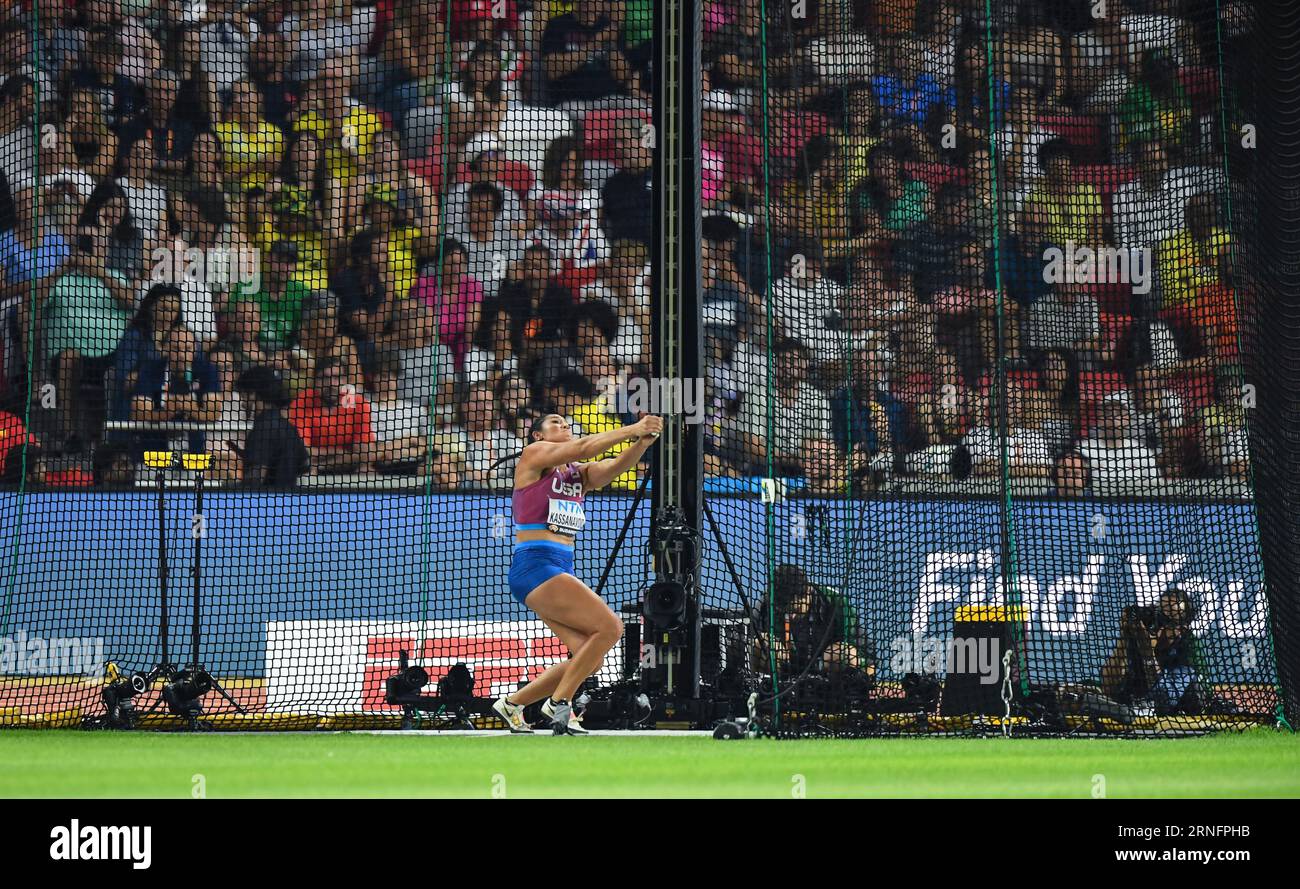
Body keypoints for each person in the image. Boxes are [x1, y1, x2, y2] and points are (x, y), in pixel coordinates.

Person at [491, 411, 664, 735]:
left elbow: (614, 467)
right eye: (555, 422)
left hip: (558, 567)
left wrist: (643, 442)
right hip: (535, 564)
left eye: (566, 423)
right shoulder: (534, 455)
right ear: (538, 436)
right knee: (611, 627)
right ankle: (559, 703)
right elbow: (585, 447)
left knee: (591, 657)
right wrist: (634, 428)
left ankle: (512, 703)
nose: (564, 426)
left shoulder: (577, 474)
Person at [1099, 588, 1208, 716]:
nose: (1159, 625)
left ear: (1182, 628)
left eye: (1168, 619)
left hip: (1180, 718)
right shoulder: (1141, 637)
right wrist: (1124, 640)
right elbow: (1108, 687)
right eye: (1158, 614)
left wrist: (1148, 654)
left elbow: (1165, 699)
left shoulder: (1188, 648)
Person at [235, 366, 309, 490]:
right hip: (291, 504)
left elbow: (256, 478)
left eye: (243, 395)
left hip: (264, 504)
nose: (242, 403)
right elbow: (304, 465)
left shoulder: (262, 430)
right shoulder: (289, 427)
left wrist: (230, 487)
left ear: (253, 394)